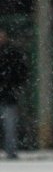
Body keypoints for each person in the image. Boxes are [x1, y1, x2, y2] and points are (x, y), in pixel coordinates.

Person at [0, 29, 28, 160]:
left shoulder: (12, 53)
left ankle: (11, 151)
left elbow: (21, 72)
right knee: (9, 125)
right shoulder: (13, 53)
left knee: (10, 126)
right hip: (9, 94)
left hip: (8, 95)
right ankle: (11, 151)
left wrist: (14, 86)